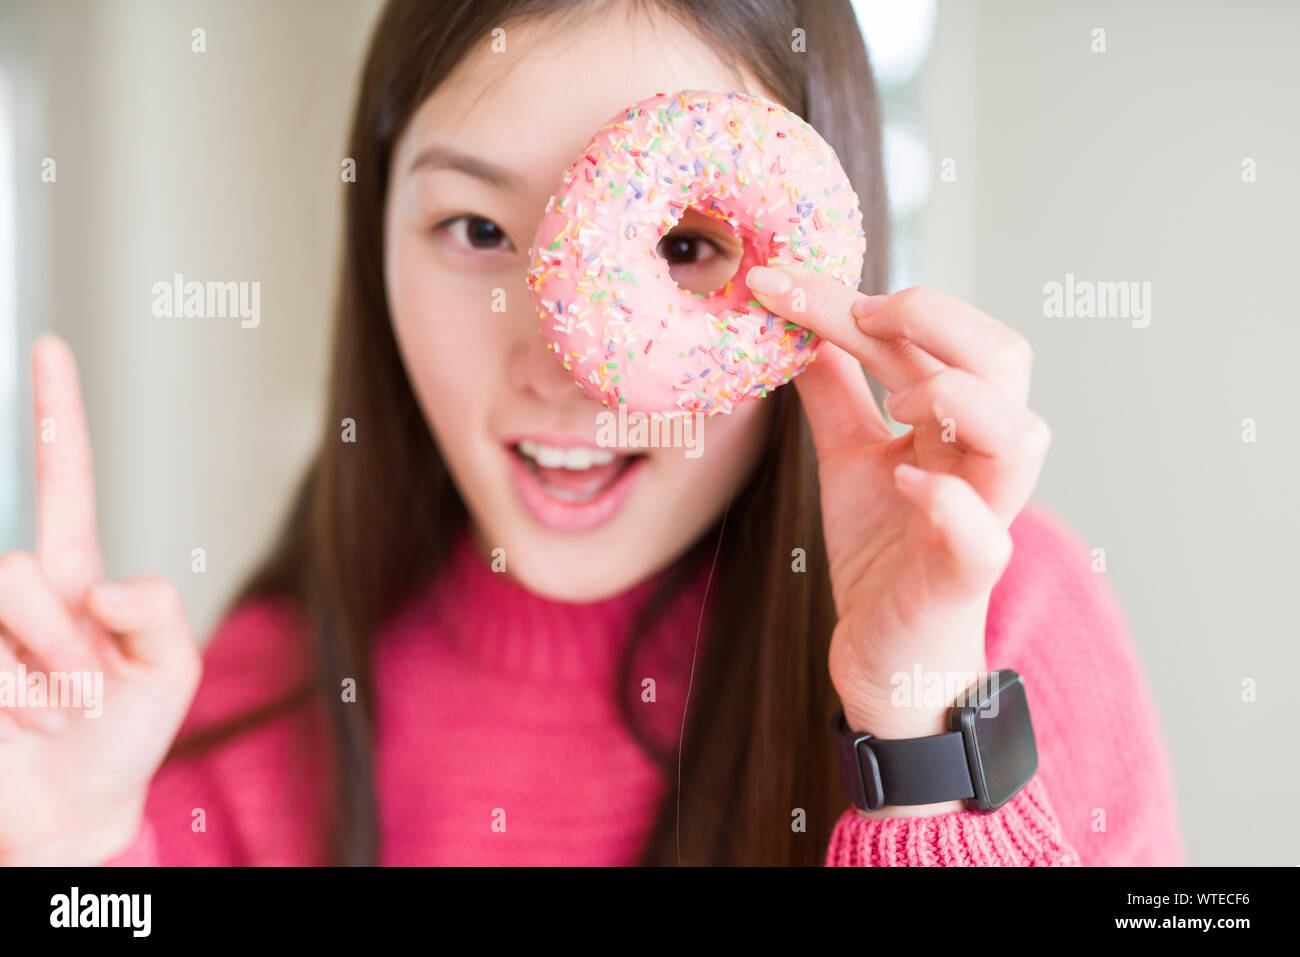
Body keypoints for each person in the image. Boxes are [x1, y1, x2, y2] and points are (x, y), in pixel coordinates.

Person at [0, 0, 1182, 866]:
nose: (564, 362)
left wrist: (920, 737)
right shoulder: (262, 701)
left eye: (681, 247)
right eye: (475, 229)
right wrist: (69, 851)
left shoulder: (998, 626)